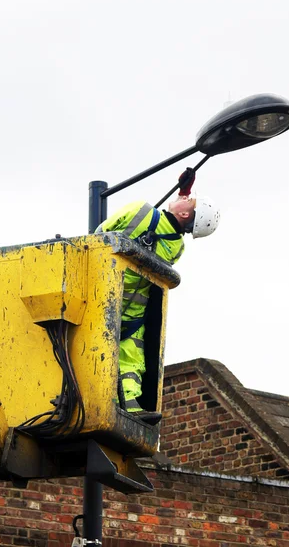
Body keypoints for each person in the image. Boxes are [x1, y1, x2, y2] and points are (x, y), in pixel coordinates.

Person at [95, 169, 220, 423]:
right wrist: (183, 193)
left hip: (102, 298)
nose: (187, 197)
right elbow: (173, 223)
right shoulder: (177, 247)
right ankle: (129, 406)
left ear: (186, 212)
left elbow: (97, 236)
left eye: (190, 199)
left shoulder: (139, 210)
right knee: (131, 360)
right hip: (131, 315)